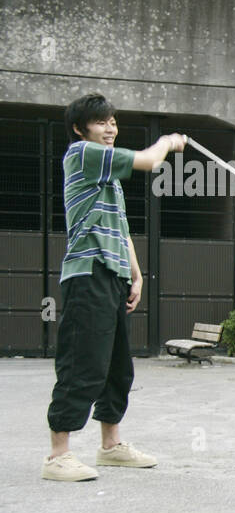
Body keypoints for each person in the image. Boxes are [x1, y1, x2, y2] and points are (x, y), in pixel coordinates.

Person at [43, 95, 187, 481]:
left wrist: (135, 274)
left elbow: (120, 228)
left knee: (118, 367)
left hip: (114, 274)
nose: (110, 129)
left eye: (113, 122)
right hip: (87, 273)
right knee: (83, 362)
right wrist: (169, 142)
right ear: (80, 128)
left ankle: (110, 446)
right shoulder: (83, 155)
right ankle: (58, 455)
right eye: (101, 122)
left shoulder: (105, 175)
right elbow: (149, 161)